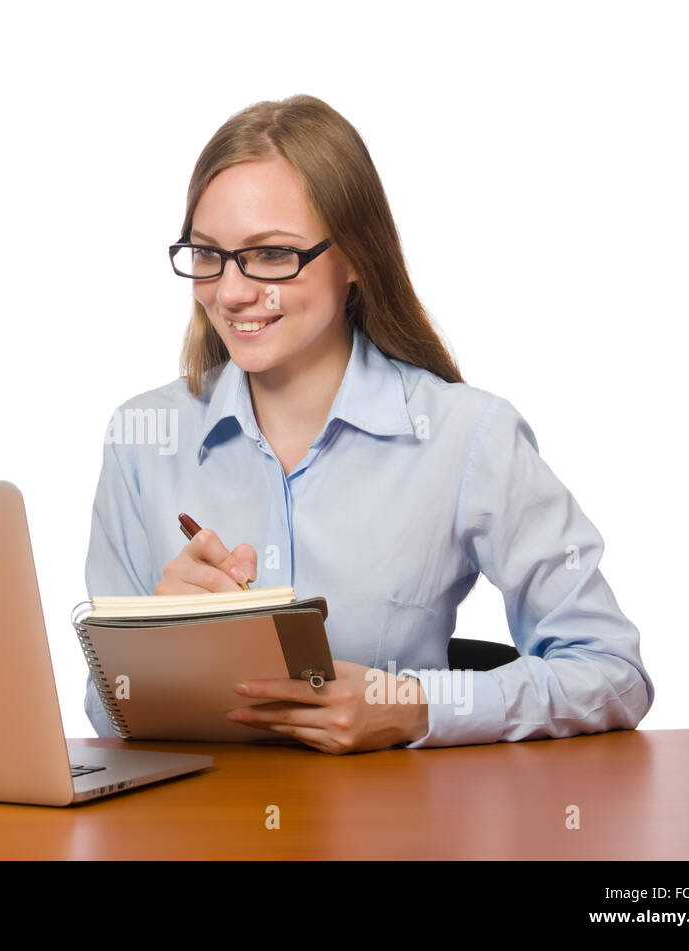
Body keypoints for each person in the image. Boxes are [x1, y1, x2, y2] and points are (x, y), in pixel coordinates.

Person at [82, 94, 653, 754]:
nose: (232, 292)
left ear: (355, 257)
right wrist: (163, 645)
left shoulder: (467, 438)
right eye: (208, 254)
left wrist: (414, 706)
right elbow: (106, 710)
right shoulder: (141, 440)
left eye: (270, 254)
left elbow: (612, 671)